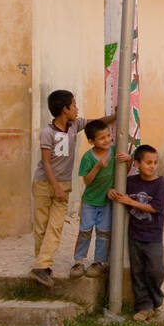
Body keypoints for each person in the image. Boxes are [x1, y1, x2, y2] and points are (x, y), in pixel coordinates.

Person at [31, 90, 116, 287]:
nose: (77, 109)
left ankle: (42, 265)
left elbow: (97, 122)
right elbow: (46, 163)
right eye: (74, 105)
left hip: (64, 184)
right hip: (44, 184)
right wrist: (55, 187)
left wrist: (115, 115)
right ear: (65, 109)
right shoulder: (47, 133)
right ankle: (42, 264)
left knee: (56, 226)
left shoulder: (76, 125)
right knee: (41, 226)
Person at [109, 144, 164, 321]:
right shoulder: (131, 182)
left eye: (155, 162)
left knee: (156, 270)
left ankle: (156, 299)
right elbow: (119, 193)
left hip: (153, 235)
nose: (152, 166)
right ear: (137, 164)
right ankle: (144, 306)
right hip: (135, 234)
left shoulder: (160, 184)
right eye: (148, 162)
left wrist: (130, 202)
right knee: (138, 271)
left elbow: (155, 207)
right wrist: (112, 192)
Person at [72, 121, 129, 279]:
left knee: (104, 232)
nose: (107, 140)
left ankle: (99, 262)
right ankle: (78, 261)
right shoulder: (88, 158)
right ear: (91, 141)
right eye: (101, 138)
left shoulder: (114, 151)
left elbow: (125, 171)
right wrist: (97, 166)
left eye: (108, 136)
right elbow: (87, 181)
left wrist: (128, 159)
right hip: (90, 201)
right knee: (85, 231)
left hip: (107, 202)